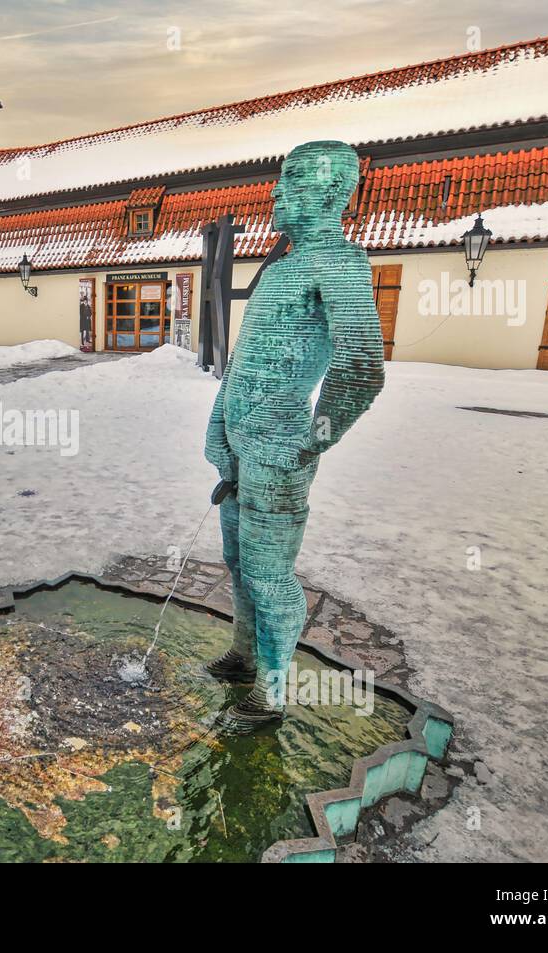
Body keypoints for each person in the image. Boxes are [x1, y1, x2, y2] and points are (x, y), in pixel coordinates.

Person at [203, 140, 384, 733]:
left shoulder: (340, 262)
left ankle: (272, 692)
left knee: (268, 571)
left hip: (280, 447)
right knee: (236, 560)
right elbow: (241, 363)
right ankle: (245, 655)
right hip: (242, 444)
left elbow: (361, 364)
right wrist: (219, 433)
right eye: (280, 181)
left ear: (332, 194)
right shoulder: (280, 267)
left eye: (294, 182)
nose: (277, 193)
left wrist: (316, 438)